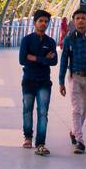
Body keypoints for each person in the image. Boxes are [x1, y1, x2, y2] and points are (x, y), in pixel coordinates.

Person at [58, 8, 86, 154]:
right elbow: (64, 60)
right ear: (74, 21)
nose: (80, 21)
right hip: (75, 77)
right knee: (77, 109)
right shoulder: (69, 38)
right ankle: (80, 140)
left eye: (83, 18)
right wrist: (61, 82)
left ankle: (74, 131)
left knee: (84, 110)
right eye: (77, 18)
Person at [18, 9, 57, 155]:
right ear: (35, 23)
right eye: (41, 21)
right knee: (27, 110)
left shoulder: (51, 42)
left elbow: (53, 61)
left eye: (46, 21)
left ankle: (40, 142)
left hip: (44, 82)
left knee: (43, 112)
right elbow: (22, 59)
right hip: (28, 81)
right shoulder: (27, 40)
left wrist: (34, 58)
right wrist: (44, 58)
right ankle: (28, 136)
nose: (43, 24)